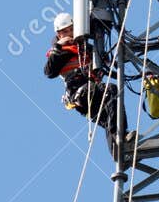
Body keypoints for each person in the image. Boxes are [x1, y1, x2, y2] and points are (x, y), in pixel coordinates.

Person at [44, 13, 125, 160]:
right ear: (59, 34)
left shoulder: (84, 49)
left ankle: (119, 148)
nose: (70, 33)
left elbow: (104, 60)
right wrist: (59, 47)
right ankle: (120, 142)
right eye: (66, 31)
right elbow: (49, 72)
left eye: (72, 29)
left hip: (91, 92)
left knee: (109, 115)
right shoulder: (62, 52)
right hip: (79, 92)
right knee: (110, 91)